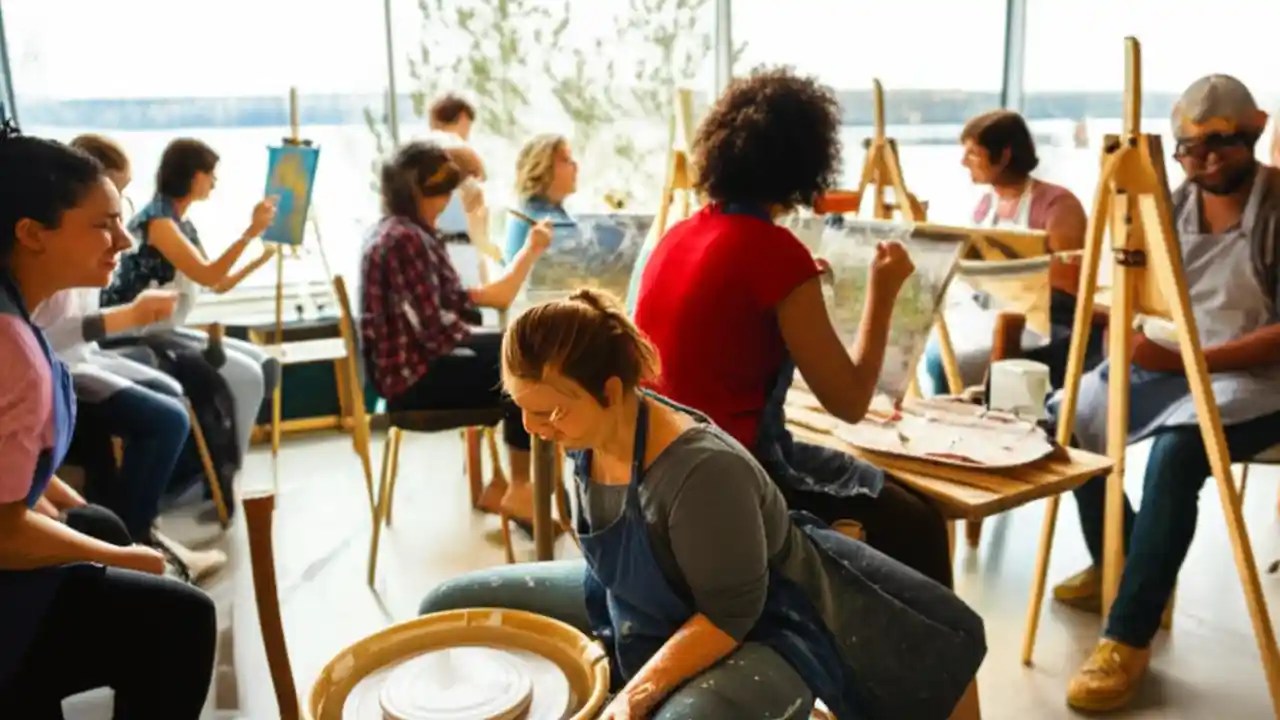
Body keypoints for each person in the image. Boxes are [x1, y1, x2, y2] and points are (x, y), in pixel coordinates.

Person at [420, 290, 986, 720]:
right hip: (640, 600)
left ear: (612, 391)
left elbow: (729, 614)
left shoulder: (701, 473)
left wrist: (634, 696)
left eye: (550, 413)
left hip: (765, 625)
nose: (532, 429)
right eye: (523, 409)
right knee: (446, 606)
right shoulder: (588, 432)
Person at [633, 67, 953, 589]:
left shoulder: (681, 233)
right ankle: (937, 669)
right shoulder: (773, 251)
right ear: (806, 161)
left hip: (658, 468)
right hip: (727, 478)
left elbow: (726, 328)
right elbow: (849, 402)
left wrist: (797, 287)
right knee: (919, 525)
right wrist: (884, 291)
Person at [1052, 74, 1280, 712]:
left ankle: (1127, 636)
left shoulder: (1279, 208)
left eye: (1224, 144)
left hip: (1258, 379)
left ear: (1256, 129)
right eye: (1190, 148)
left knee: (1177, 457)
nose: (1206, 159)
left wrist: (1193, 359)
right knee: (1070, 419)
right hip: (1176, 359)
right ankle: (1123, 565)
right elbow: (1141, 298)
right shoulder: (1171, 205)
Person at [0, 122, 216, 716]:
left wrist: (60, 502)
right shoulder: (12, 347)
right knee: (183, 618)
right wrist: (132, 561)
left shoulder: (20, 315)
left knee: (96, 519)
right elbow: (2, 531)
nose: (123, 240)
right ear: (31, 234)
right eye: (103, 223)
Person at [33, 134, 226, 579]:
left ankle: (142, 527)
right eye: (108, 216)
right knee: (169, 417)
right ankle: (132, 538)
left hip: (81, 356)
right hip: (65, 364)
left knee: (172, 391)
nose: (122, 236)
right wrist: (130, 315)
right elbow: (50, 334)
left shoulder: (88, 249)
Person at [360, 141, 552, 521]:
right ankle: (520, 487)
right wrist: (505, 342)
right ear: (419, 192)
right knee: (521, 366)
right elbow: (437, 331)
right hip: (412, 384)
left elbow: (449, 304)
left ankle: (512, 485)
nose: (447, 201)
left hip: (404, 375)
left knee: (514, 353)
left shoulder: (401, 232)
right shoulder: (405, 238)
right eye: (442, 192)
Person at [101, 137, 279, 463]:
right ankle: (222, 472)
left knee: (264, 366)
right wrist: (250, 233)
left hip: (162, 327)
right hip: (133, 330)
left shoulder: (182, 224)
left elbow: (219, 283)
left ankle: (222, 465)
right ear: (195, 176)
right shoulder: (159, 223)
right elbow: (209, 275)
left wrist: (258, 259)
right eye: (211, 174)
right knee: (248, 377)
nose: (214, 182)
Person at [920, 109, 1102, 395]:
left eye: (973, 154)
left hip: (1045, 322)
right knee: (934, 350)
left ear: (1004, 155)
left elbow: (1071, 280)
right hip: (992, 311)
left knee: (948, 362)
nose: (964, 162)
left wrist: (1006, 270)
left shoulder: (1058, 205)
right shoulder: (985, 204)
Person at [502, 133, 579, 263]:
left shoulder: (528, 209)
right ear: (543, 168)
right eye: (566, 160)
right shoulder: (533, 218)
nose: (575, 166)